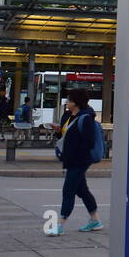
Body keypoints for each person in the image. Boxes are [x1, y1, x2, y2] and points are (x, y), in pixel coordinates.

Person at [46, 88, 103, 236]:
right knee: (81, 190)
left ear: (76, 103)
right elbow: (64, 134)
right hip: (70, 159)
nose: (67, 102)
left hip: (80, 160)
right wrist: (58, 130)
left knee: (68, 190)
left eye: (70, 100)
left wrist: (76, 152)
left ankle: (60, 225)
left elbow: (89, 142)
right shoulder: (67, 116)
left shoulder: (86, 118)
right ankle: (95, 220)